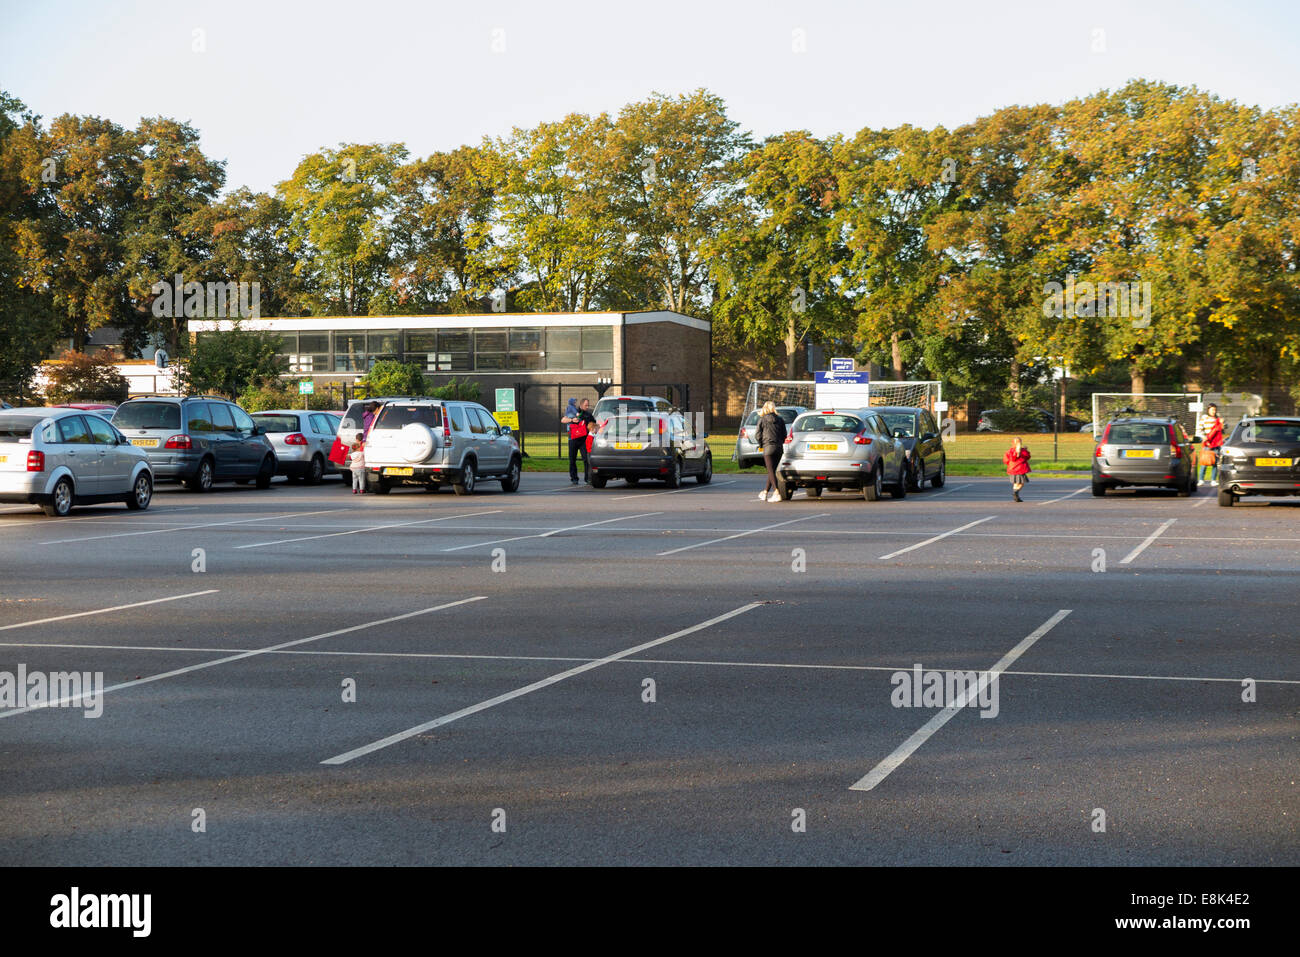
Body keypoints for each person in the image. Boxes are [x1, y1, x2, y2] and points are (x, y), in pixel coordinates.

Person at [755, 401, 788, 502]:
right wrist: (780, 442)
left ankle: (776, 492)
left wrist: (761, 444)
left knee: (770, 471)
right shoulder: (780, 420)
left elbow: (757, 435)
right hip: (779, 448)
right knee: (772, 471)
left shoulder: (762, 420)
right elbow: (784, 434)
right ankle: (765, 492)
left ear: (765, 408)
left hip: (768, 447)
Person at [561, 397, 596, 484]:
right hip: (573, 439)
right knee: (572, 459)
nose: (587, 407)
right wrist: (572, 420)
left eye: (588, 405)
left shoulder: (588, 414)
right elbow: (563, 420)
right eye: (586, 405)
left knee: (586, 459)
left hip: (583, 440)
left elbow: (594, 423)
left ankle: (588, 478)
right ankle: (574, 478)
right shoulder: (573, 412)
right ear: (581, 405)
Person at [1197, 403, 1225, 487]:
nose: (1214, 411)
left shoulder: (1217, 419)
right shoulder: (1204, 418)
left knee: (1215, 463)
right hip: (1207, 443)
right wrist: (1204, 438)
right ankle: (1201, 480)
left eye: (1215, 410)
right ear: (1208, 410)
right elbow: (1199, 430)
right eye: (1212, 409)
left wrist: (1222, 423)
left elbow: (1222, 430)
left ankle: (1213, 480)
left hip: (1216, 444)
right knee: (1204, 462)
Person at [1004, 436, 1031, 502]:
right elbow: (1027, 457)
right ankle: (1016, 492)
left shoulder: (1009, 451)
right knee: (1022, 483)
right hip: (1020, 469)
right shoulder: (1021, 451)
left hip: (1012, 469)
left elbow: (1005, 460)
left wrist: (1010, 464)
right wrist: (1023, 451)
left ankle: (1016, 496)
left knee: (1016, 483)